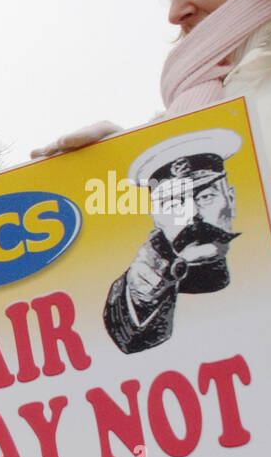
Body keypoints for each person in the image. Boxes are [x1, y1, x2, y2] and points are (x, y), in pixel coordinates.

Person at [32, 0, 271, 457]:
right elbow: (131, 336)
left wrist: (176, 183)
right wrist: (104, 190)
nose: (175, 10)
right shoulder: (197, 108)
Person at [103, 128, 244, 353]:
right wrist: (140, 296)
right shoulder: (149, 272)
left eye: (206, 197)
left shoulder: (268, 244)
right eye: (174, 205)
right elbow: (130, 336)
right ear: (156, 217)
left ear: (231, 200)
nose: (192, 216)